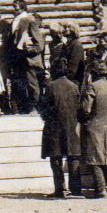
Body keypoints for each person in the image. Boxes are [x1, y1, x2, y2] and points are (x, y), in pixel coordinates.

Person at [42, 58, 83, 198]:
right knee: (73, 157)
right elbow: (79, 108)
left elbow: (44, 108)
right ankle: (76, 189)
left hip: (54, 127)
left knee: (56, 157)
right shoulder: (74, 86)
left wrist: (48, 119)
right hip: (72, 127)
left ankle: (60, 189)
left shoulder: (50, 86)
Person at [80, 64, 107, 198]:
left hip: (95, 126)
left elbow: (86, 109)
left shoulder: (92, 87)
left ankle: (101, 189)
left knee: (95, 158)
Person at [10, 0, 47, 111]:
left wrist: (28, 50)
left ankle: (35, 107)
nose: (14, 9)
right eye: (13, 6)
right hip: (17, 58)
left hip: (27, 58)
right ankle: (24, 107)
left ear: (22, 7)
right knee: (20, 84)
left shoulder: (29, 20)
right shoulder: (14, 21)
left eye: (16, 6)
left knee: (32, 84)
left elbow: (40, 44)